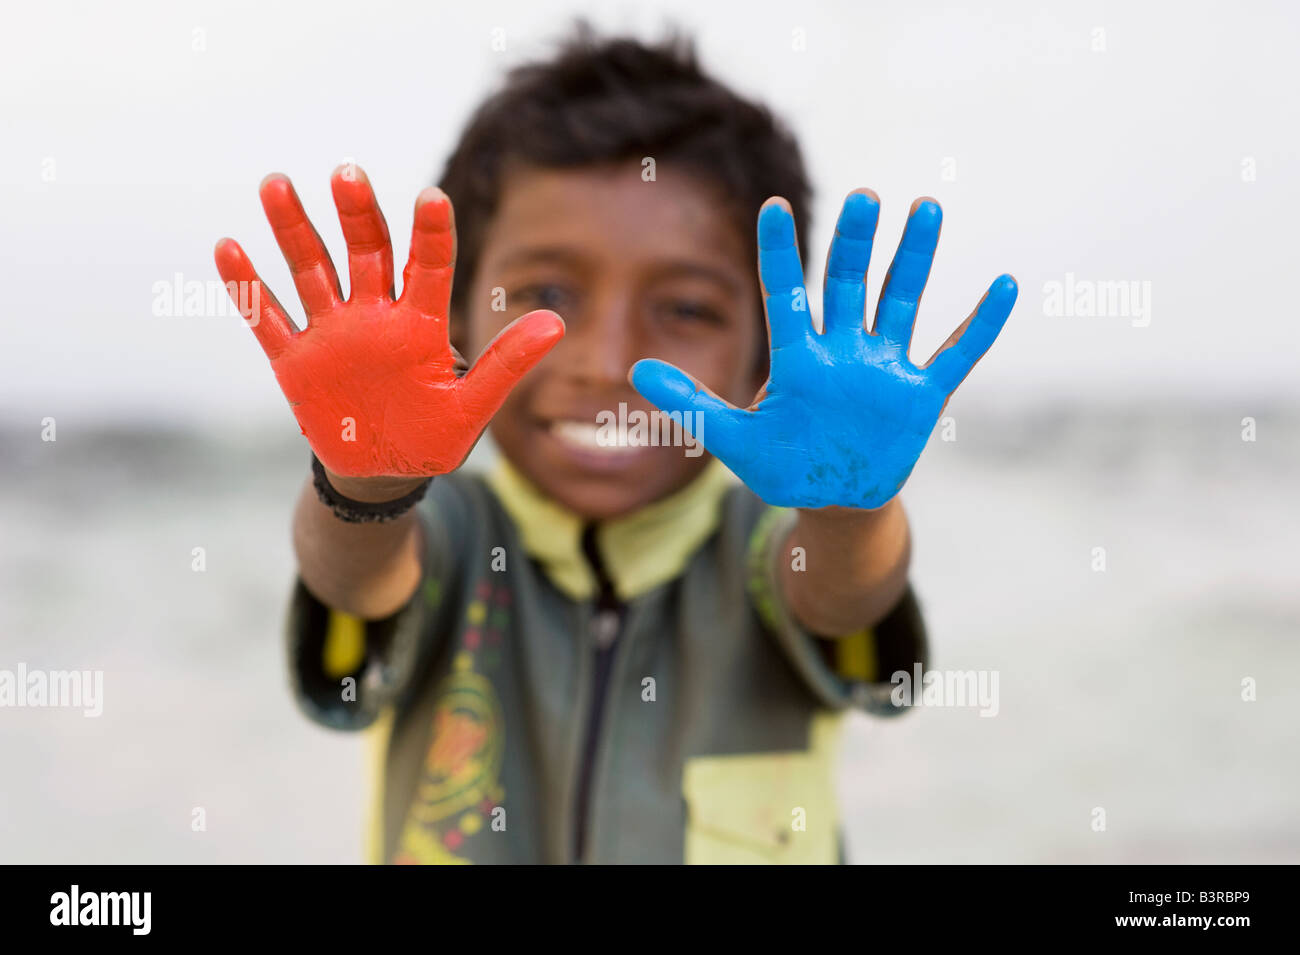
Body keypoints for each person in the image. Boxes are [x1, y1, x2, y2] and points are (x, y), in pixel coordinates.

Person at [214, 24, 1017, 864]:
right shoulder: (453, 531)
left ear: (768, 355)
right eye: (547, 293)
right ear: (451, 319)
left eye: (688, 309)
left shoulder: (766, 539)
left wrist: (846, 504)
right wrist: (366, 479)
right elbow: (359, 573)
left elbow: (842, 593)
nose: (606, 364)